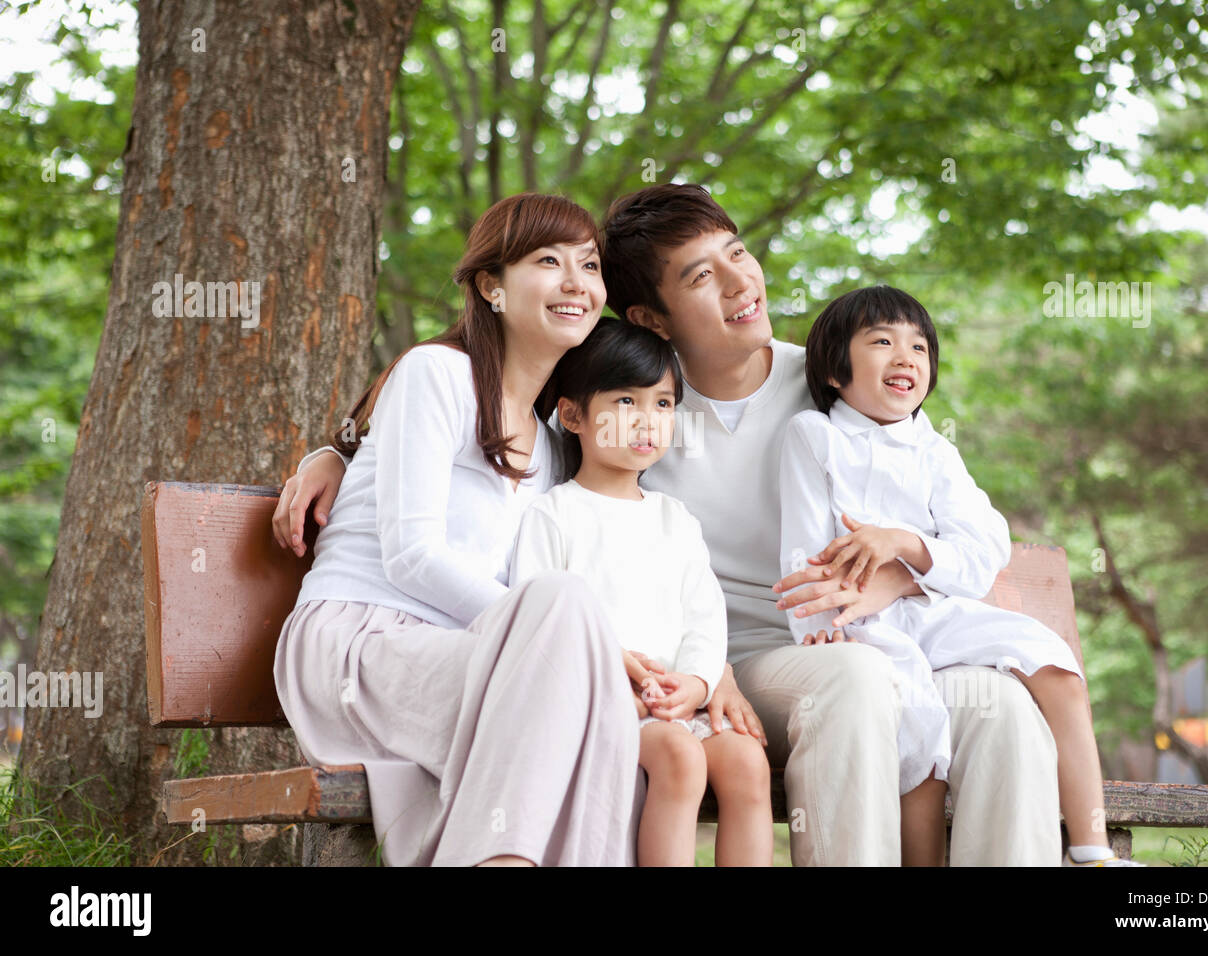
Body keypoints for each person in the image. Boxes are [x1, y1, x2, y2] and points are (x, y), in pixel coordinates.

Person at [284, 184, 1063, 866]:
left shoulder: (831, 382)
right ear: (649, 316)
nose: (739, 283)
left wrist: (894, 572)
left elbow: (949, 507)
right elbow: (468, 395)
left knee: (1001, 711)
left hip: (875, 638)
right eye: (701, 276)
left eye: (738, 254)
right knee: (846, 686)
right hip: (736, 662)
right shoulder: (634, 398)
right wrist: (341, 452)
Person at [270, 193, 642, 866]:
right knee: (568, 635)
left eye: (589, 266)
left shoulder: (558, 446)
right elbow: (411, 556)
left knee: (601, 702)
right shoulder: (436, 373)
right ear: (491, 285)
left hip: (467, 659)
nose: (575, 284)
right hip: (363, 646)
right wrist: (546, 638)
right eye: (548, 261)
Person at [780, 284, 1140, 867]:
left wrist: (907, 544)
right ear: (834, 373)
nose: (905, 358)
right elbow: (801, 554)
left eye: (919, 347)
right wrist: (820, 631)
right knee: (921, 737)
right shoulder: (814, 437)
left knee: (1057, 668)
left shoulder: (933, 449)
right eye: (882, 342)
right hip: (861, 625)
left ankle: (1091, 851)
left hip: (936, 612)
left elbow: (984, 548)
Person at [509, 317, 772, 866]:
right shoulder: (553, 514)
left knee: (747, 761)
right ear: (574, 414)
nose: (647, 421)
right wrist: (615, 686)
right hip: (600, 703)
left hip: (677, 700)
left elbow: (705, 615)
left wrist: (697, 684)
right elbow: (538, 622)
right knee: (679, 754)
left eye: (663, 404)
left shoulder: (676, 519)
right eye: (626, 401)